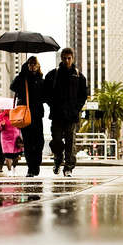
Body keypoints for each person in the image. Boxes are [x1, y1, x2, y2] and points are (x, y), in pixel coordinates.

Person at [42, 47, 87, 177]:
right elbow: (45, 92)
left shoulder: (79, 77)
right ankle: (58, 160)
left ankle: (68, 167)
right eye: (64, 58)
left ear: (72, 59)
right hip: (57, 115)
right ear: (61, 59)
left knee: (70, 140)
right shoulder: (53, 75)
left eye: (69, 58)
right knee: (56, 140)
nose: (67, 61)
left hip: (72, 116)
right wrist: (53, 104)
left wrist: (76, 108)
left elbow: (83, 96)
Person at [11, 56, 46, 177]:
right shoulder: (23, 78)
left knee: (39, 141)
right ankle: (31, 168)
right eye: (30, 64)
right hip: (25, 115)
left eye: (34, 64)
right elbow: (13, 87)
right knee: (28, 142)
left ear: (38, 66)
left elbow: (46, 95)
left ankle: (36, 164)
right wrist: (22, 72)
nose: (32, 66)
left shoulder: (41, 80)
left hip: (37, 115)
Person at [0, 109, 23, 176]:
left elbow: (21, 124)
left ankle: (14, 167)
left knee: (16, 156)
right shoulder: (0, 116)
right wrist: (1, 124)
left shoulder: (16, 115)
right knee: (7, 155)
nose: (8, 110)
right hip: (6, 138)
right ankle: (9, 170)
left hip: (15, 137)